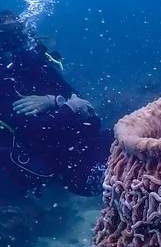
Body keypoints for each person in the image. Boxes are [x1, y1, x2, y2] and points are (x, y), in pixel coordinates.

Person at [0, 10, 111, 196]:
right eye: (8, 32)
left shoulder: (34, 62)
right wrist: (68, 107)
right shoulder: (5, 79)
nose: (17, 40)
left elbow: (78, 99)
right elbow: (30, 128)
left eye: (18, 30)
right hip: (70, 165)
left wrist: (55, 102)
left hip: (89, 141)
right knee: (130, 182)